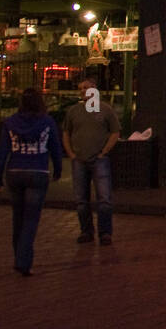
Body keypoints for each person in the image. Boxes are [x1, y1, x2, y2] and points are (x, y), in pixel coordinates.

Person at [0, 88, 63, 276]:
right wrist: (58, 169)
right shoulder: (47, 122)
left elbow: (2, 153)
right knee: (31, 219)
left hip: (15, 170)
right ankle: (24, 261)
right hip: (38, 170)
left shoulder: (10, 123)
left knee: (18, 216)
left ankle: (18, 256)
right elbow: (55, 147)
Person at [62, 77, 121, 245]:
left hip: (98, 158)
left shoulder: (105, 110)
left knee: (104, 199)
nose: (82, 91)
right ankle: (86, 231)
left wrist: (104, 151)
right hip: (79, 159)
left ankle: (105, 233)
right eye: (80, 88)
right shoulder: (74, 111)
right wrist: (71, 153)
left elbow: (115, 132)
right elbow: (66, 132)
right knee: (81, 200)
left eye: (85, 88)